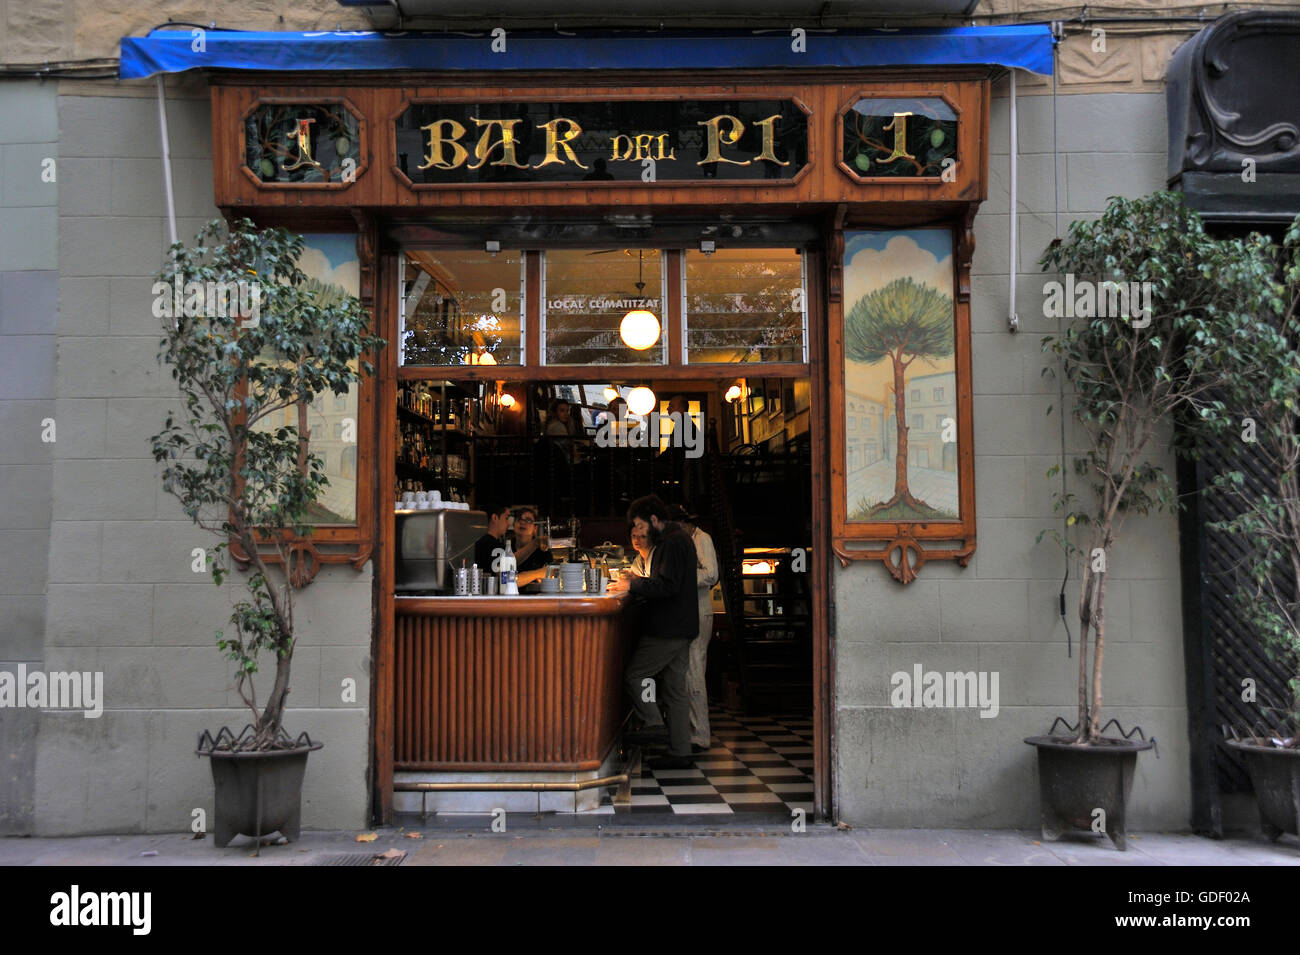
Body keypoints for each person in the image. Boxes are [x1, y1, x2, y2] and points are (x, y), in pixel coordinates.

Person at [606, 494, 698, 769]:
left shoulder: (670, 543)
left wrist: (631, 586)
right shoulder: (679, 539)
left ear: (654, 520)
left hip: (667, 628)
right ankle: (681, 752)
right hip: (683, 626)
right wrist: (640, 581)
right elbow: (670, 583)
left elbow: (667, 587)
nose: (637, 531)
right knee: (675, 691)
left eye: (640, 525)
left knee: (635, 675)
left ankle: (654, 724)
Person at [670, 505, 718, 753]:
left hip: (700, 612)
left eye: (679, 526)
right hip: (689, 612)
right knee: (688, 672)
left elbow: (711, 575)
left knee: (695, 672)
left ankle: (700, 735)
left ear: (687, 523)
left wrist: (678, 577)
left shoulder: (702, 539)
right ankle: (691, 731)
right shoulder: (684, 541)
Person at [510, 505, 553, 587]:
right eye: (519, 519)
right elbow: (505, 580)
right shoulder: (504, 548)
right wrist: (537, 573)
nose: (523, 522)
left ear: (535, 528)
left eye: (528, 520)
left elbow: (548, 575)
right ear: (514, 524)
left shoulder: (543, 552)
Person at [473, 502, 511, 573]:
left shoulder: (477, 541)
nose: (509, 523)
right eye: (506, 518)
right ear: (495, 518)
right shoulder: (494, 546)